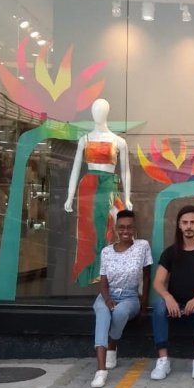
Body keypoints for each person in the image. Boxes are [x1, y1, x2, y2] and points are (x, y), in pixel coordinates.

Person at [65, 98, 132, 286]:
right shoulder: (85, 140)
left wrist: (127, 198)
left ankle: (112, 271)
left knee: (112, 225)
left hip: (108, 186)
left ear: (107, 113)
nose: (98, 114)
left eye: (101, 110)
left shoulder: (119, 141)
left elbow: (125, 171)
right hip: (88, 187)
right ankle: (92, 272)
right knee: (89, 229)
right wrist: (70, 196)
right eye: (95, 110)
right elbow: (75, 169)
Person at [150, 205, 194, 380]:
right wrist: (168, 297)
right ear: (179, 225)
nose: (189, 226)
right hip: (174, 305)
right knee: (159, 306)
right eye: (185, 222)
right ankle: (163, 360)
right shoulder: (170, 252)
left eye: (192, 222)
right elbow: (158, 282)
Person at [91, 209, 151, 388]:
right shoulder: (106, 252)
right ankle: (101, 370)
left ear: (134, 228)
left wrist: (144, 305)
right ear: (116, 228)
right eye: (122, 227)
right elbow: (103, 280)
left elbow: (147, 276)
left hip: (130, 296)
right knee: (102, 314)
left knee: (120, 312)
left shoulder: (142, 246)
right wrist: (107, 299)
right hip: (107, 295)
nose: (126, 231)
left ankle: (112, 345)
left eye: (129, 227)